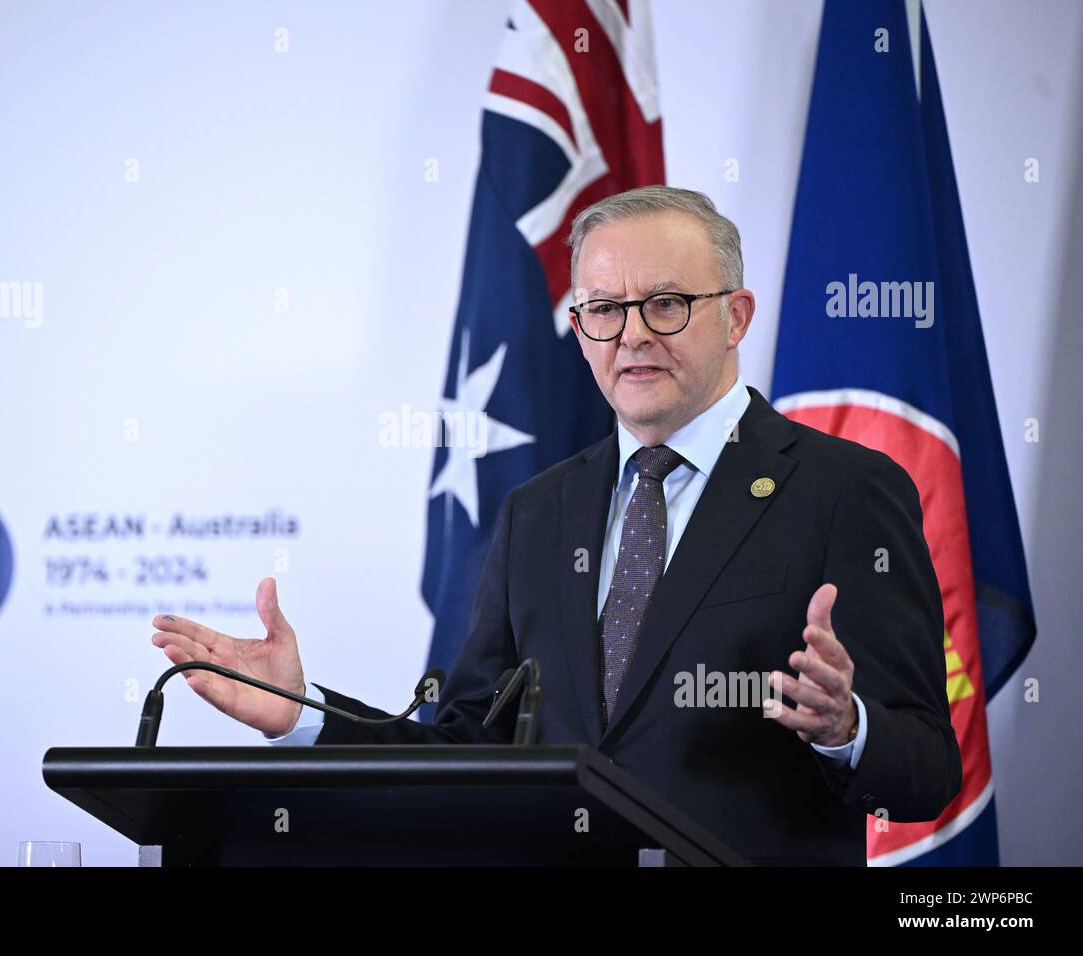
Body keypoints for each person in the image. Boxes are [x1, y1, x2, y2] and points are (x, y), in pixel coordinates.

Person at [150, 185, 960, 865]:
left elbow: (926, 768)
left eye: (667, 304)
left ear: (736, 315)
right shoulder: (540, 511)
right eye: (603, 309)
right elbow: (473, 746)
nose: (632, 333)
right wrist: (304, 714)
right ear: (579, 329)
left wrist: (846, 728)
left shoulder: (845, 489)